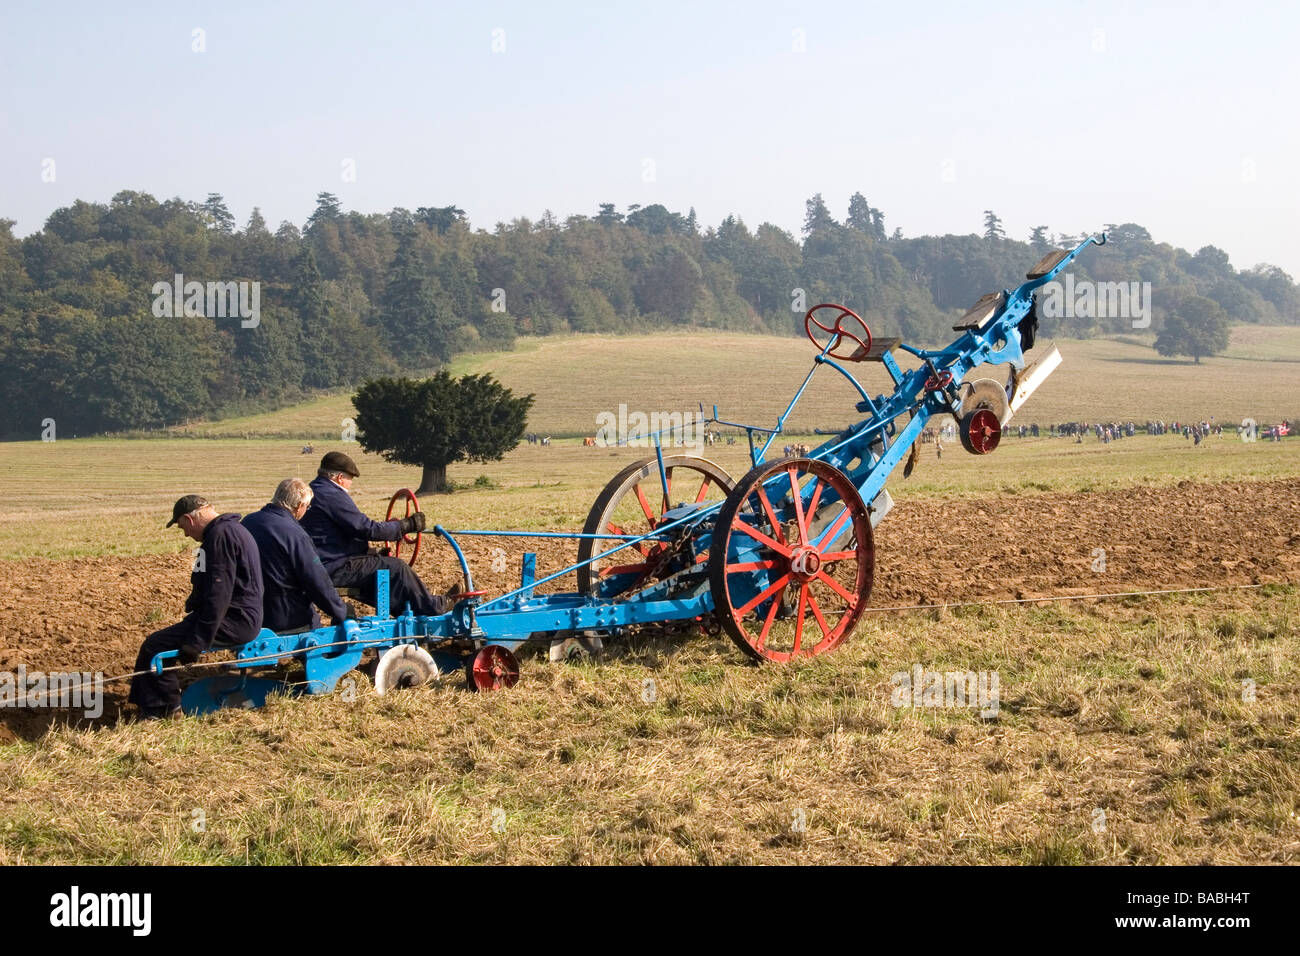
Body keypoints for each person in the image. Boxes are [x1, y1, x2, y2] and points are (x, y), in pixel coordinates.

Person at [129, 495, 264, 719]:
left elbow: (219, 595)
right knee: (158, 643)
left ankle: (163, 710)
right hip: (238, 616)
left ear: (189, 520)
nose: (185, 534)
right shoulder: (229, 531)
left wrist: (198, 640)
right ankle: (157, 706)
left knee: (155, 646)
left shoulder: (220, 537)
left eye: (183, 527)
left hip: (235, 620)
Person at [301, 452, 451, 616]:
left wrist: (370, 554)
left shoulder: (315, 490)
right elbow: (366, 528)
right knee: (396, 567)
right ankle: (435, 607)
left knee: (382, 565)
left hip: (323, 562)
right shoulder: (331, 495)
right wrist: (405, 526)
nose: (350, 484)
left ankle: (410, 613)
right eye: (350, 478)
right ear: (339, 478)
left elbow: (337, 534)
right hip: (334, 566)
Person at [242, 478, 349, 633]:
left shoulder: (248, 522)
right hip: (287, 616)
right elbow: (316, 580)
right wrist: (340, 612)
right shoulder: (295, 534)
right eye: (307, 506)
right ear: (299, 506)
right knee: (322, 649)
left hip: (252, 612)